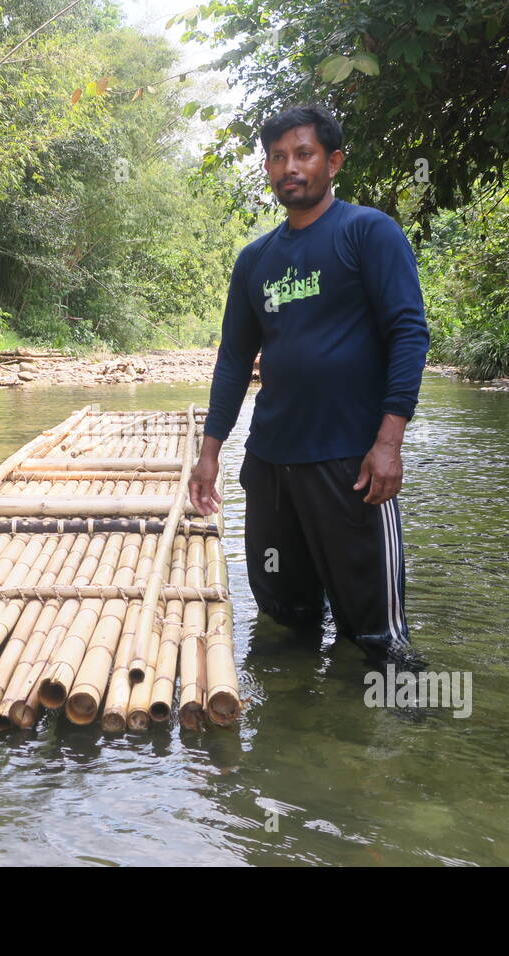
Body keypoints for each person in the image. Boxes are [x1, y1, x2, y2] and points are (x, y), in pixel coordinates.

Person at [188, 104, 430, 667]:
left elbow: (409, 333)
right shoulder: (255, 260)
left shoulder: (367, 233)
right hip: (271, 466)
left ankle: (394, 741)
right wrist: (209, 453)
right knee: (283, 621)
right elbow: (233, 360)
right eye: (277, 157)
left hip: (350, 465)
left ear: (334, 161)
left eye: (303, 154)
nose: (288, 167)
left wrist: (389, 443)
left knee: (377, 637)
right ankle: (291, 739)